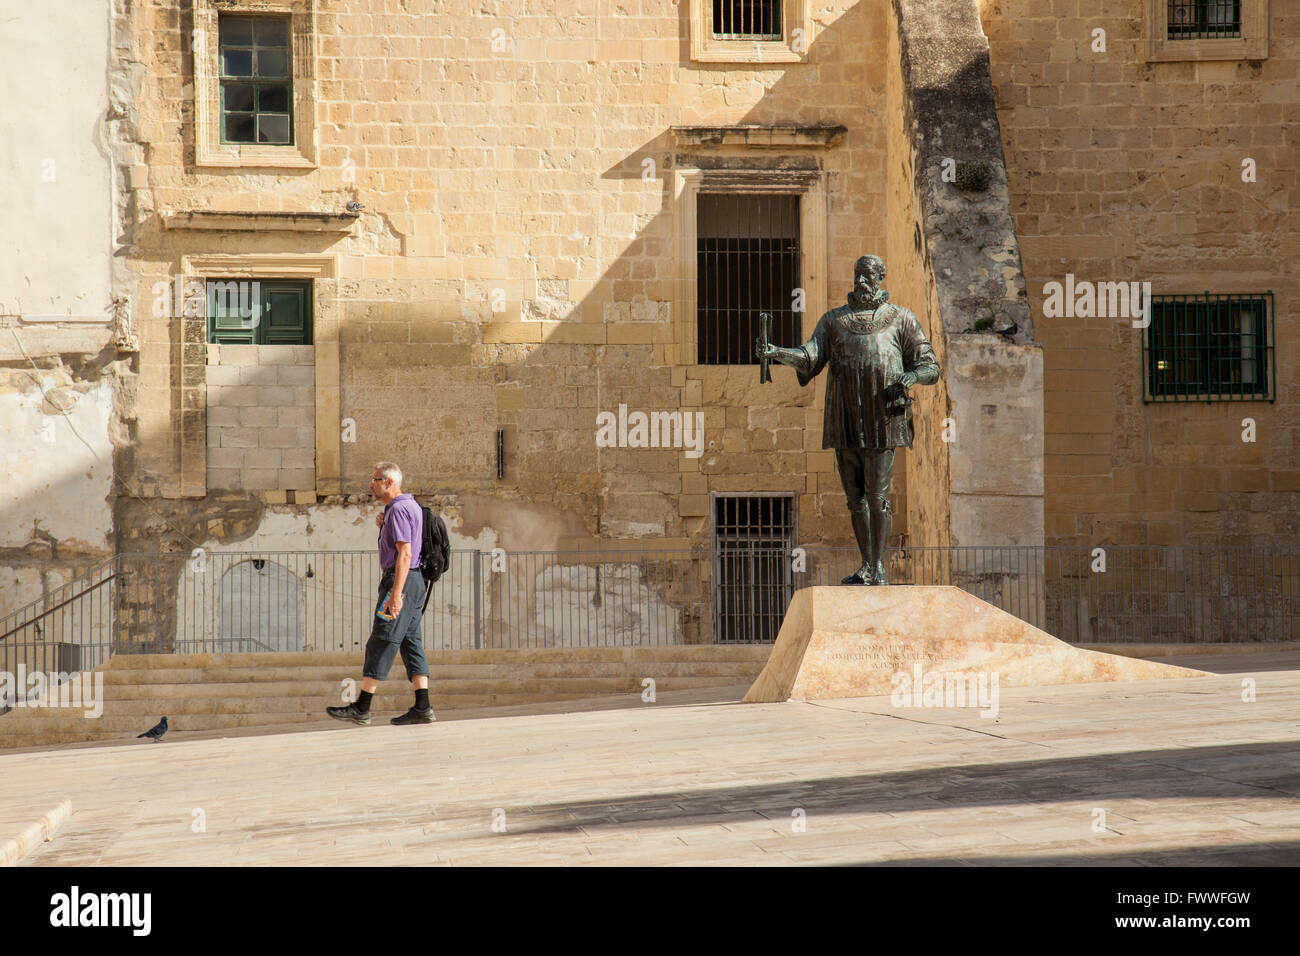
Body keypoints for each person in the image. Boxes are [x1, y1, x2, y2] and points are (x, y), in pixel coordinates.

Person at [757, 254, 941, 585]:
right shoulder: (834, 321)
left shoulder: (901, 320)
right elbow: (810, 356)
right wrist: (777, 353)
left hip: (882, 420)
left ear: (881, 278)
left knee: (876, 497)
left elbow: (930, 366)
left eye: (868, 276)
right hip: (845, 421)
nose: (861, 282)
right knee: (855, 500)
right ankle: (867, 566)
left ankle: (876, 567)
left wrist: (911, 378)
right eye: (858, 275)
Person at [327, 461, 435, 726]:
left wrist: (396, 594)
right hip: (415, 580)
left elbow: (405, 554)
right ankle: (423, 706)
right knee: (411, 642)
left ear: (389, 482)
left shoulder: (397, 509)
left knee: (382, 638)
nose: (370, 484)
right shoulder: (411, 507)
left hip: (401, 580)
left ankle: (362, 707)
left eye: (375, 479)